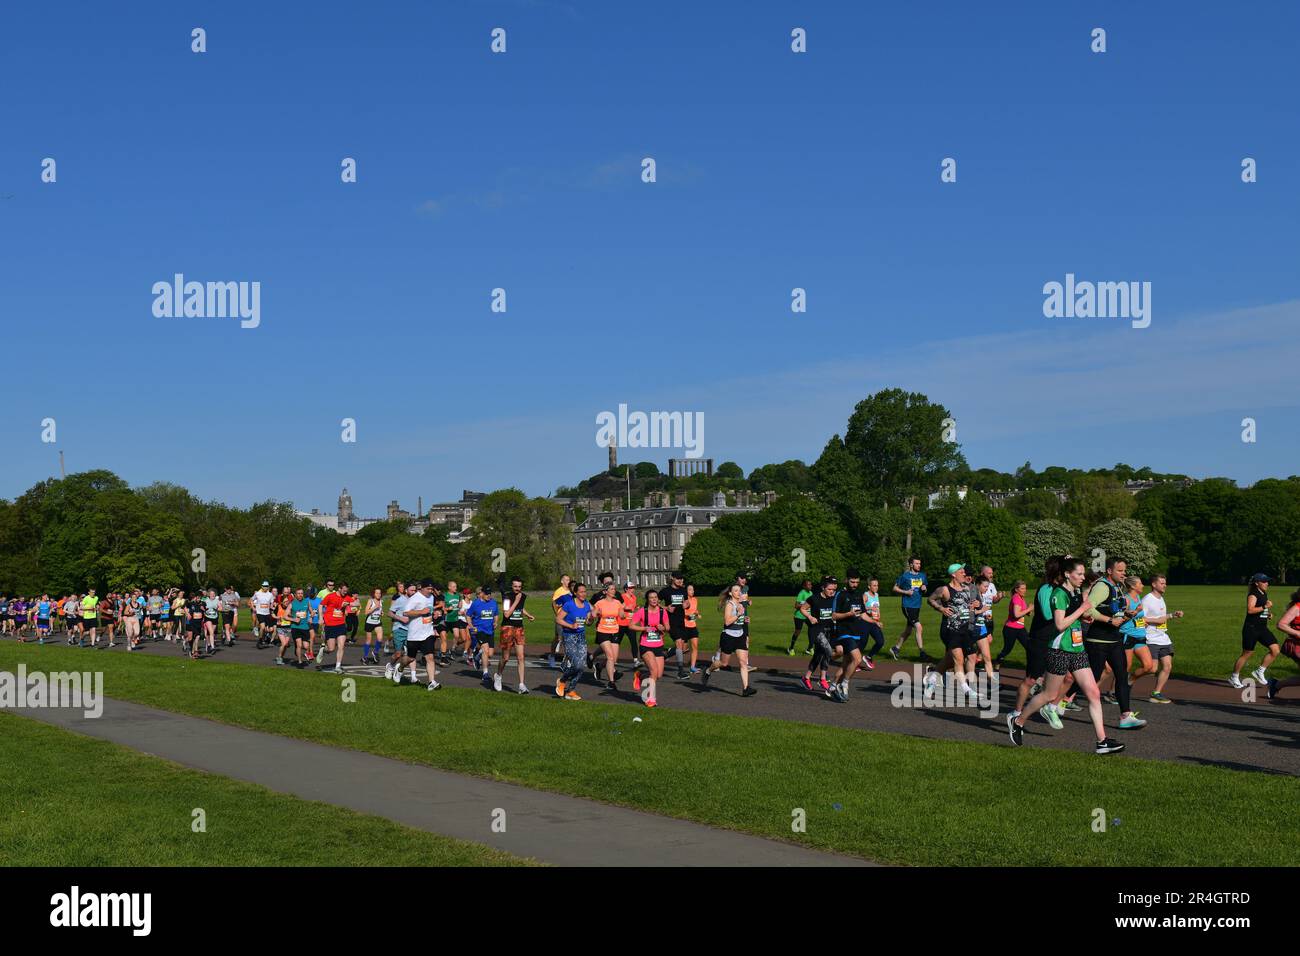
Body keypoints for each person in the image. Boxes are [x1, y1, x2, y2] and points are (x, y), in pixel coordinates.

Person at [1007, 557, 1125, 755]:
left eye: (1083, 573)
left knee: (1093, 693)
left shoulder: (1076, 591)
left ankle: (1102, 741)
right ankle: (1018, 721)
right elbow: (1060, 624)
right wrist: (1082, 609)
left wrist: (1086, 614)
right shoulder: (1058, 594)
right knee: (1049, 695)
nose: (1082, 577)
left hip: (1077, 648)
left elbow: (1079, 615)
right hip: (1059, 649)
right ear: (1067, 575)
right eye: (1078, 574)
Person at [1083, 557, 1146, 730]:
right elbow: (1088, 608)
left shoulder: (1118, 586)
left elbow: (1115, 610)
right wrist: (1109, 620)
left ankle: (1125, 715)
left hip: (1114, 639)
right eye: (1120, 570)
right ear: (1110, 571)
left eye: (1124, 570)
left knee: (1121, 675)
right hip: (1098, 640)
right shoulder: (1103, 586)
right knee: (1092, 677)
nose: (1123, 573)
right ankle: (1059, 701)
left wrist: (1128, 614)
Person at [924, 565, 982, 702]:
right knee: (959, 659)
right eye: (961, 571)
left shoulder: (967, 588)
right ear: (953, 575)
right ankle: (966, 690)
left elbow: (974, 604)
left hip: (965, 629)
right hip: (950, 629)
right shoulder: (944, 590)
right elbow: (930, 599)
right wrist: (940, 608)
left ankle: (932, 677)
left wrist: (977, 604)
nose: (964, 573)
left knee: (956, 659)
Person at [702, 583, 757, 697]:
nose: (738, 592)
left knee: (743, 662)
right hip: (729, 636)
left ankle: (746, 688)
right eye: (736, 591)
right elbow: (727, 622)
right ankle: (708, 670)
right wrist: (738, 615)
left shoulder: (741, 604)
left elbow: (739, 619)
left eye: (739, 591)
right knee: (724, 663)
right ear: (731, 593)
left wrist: (744, 618)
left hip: (740, 635)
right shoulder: (730, 605)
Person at [1139, 574, 1183, 703]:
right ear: (1154, 584)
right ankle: (1130, 679)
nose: (1165, 585)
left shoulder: (1160, 598)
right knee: (1152, 669)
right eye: (1162, 583)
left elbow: (1163, 618)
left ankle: (1156, 693)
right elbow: (1140, 618)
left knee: (1167, 666)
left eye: (1165, 583)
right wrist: (1156, 621)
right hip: (1151, 638)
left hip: (1163, 638)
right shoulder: (1147, 600)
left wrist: (1173, 615)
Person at [1230, 573, 1279, 689]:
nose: (1267, 583)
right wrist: (1265, 607)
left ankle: (1260, 671)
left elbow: (1260, 610)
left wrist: (1267, 614)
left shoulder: (1264, 593)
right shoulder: (1253, 594)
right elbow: (1250, 610)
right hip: (1251, 628)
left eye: (1267, 581)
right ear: (1257, 583)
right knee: (1247, 653)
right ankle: (1234, 676)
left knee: (1275, 650)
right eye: (1264, 581)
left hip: (1262, 628)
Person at [827, 571, 870, 701]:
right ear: (846, 580)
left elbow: (862, 614)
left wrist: (875, 622)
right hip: (843, 633)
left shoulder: (858, 595)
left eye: (857, 582)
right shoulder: (840, 595)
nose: (855, 584)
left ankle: (833, 686)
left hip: (856, 633)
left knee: (846, 663)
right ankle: (844, 684)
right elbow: (834, 615)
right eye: (852, 582)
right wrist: (848, 614)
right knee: (857, 659)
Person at [629, 588, 673, 706]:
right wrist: (643, 628)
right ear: (648, 600)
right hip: (645, 645)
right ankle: (651, 699)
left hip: (658, 645)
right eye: (651, 598)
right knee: (653, 671)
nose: (654, 599)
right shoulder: (642, 611)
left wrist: (662, 628)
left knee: (658, 675)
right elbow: (631, 625)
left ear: (658, 599)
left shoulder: (663, 612)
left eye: (655, 597)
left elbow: (668, 627)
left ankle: (641, 675)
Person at [798, 577, 841, 693]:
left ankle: (806, 678)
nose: (832, 592)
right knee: (828, 651)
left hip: (829, 630)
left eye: (834, 589)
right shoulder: (814, 598)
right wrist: (810, 617)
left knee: (819, 654)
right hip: (816, 630)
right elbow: (802, 608)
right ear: (823, 588)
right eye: (830, 589)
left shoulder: (834, 599)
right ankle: (823, 679)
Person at [553, 582, 593, 700]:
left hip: (581, 637)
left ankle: (571, 691)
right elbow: (558, 619)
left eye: (585, 591)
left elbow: (588, 622)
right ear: (575, 593)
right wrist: (570, 626)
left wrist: (591, 619)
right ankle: (562, 681)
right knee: (576, 664)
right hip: (569, 637)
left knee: (581, 666)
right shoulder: (569, 605)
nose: (583, 594)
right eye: (581, 592)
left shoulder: (586, 605)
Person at [400, 580, 441, 691]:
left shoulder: (431, 597)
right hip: (414, 634)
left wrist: (434, 614)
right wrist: (421, 612)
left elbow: (429, 611)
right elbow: (405, 613)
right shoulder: (414, 598)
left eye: (431, 589)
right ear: (421, 588)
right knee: (410, 658)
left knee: (430, 657)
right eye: (428, 589)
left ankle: (431, 682)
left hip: (427, 632)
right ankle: (400, 668)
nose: (430, 591)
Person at [497, 576, 533, 694]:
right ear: (512, 586)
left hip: (519, 628)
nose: (518, 589)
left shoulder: (522, 596)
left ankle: (521, 685)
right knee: (505, 658)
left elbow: (520, 608)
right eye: (515, 586)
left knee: (521, 657)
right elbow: (506, 614)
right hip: (507, 628)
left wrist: (528, 615)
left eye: (519, 587)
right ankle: (498, 675)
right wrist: (516, 601)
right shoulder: (507, 597)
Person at [890, 557, 930, 661]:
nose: (919, 565)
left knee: (908, 631)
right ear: (911, 565)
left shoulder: (922, 576)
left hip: (917, 606)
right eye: (917, 563)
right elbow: (894, 588)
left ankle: (896, 648)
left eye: (920, 563)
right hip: (907, 606)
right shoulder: (905, 576)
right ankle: (922, 652)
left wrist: (924, 588)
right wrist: (906, 592)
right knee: (918, 627)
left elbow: (924, 588)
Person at [1265, 589, 1300, 699]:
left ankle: (1276, 685)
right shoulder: (1297, 608)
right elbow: (1281, 624)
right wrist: (1297, 633)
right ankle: (1276, 685)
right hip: (1296, 645)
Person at [591, 582, 626, 689]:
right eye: (611, 589)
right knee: (610, 656)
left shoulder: (617, 603)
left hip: (615, 631)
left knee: (614, 659)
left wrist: (624, 614)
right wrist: (595, 614)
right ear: (605, 591)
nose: (613, 591)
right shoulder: (600, 603)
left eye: (614, 589)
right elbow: (593, 614)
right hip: (603, 631)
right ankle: (611, 682)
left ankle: (599, 666)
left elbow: (621, 615)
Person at [660, 571, 692, 680]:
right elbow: (654, 603)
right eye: (678, 578)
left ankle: (665, 656)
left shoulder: (683, 590)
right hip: (670, 621)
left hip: (681, 621)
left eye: (682, 579)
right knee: (678, 643)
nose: (680, 581)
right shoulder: (665, 591)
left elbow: (687, 603)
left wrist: (686, 605)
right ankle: (680, 671)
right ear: (672, 578)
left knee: (683, 647)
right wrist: (666, 608)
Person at [466, 585, 500, 687]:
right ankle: (485, 674)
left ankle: (477, 655)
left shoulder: (493, 603)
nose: (488, 596)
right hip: (480, 630)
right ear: (482, 593)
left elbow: (496, 614)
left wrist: (496, 622)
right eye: (486, 594)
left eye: (490, 594)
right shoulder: (476, 604)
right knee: (485, 650)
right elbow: (468, 616)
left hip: (490, 630)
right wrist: (471, 626)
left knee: (490, 654)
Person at [994, 580, 1031, 666]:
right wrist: (1028, 609)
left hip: (1020, 628)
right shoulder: (1016, 598)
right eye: (1022, 588)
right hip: (1011, 629)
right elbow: (1016, 614)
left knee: (1029, 647)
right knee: (1007, 649)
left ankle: (1031, 667)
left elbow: (1022, 611)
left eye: (1025, 588)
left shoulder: (1021, 597)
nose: (1024, 590)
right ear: (1016, 589)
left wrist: (1027, 611)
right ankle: (998, 661)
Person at [317, 583, 349, 674]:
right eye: (344, 590)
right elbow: (320, 605)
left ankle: (337, 666)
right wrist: (320, 617)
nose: (345, 592)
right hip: (330, 624)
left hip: (341, 624)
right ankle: (323, 649)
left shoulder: (346, 597)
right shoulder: (330, 596)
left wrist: (347, 606)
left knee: (341, 646)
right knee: (331, 649)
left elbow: (356, 602)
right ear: (339, 589)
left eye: (346, 591)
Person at [548, 575, 572, 669]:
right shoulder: (559, 592)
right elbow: (554, 604)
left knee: (568, 639)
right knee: (558, 638)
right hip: (561, 618)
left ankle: (568, 661)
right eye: (566, 579)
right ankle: (552, 656)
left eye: (569, 579)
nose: (568, 581)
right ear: (562, 581)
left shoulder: (571, 591)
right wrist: (557, 615)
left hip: (570, 619)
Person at [787, 579, 815, 656]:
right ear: (804, 586)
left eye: (811, 584)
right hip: (799, 616)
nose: (810, 586)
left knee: (813, 628)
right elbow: (796, 605)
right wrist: (805, 606)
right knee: (798, 631)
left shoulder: (811, 593)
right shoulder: (802, 593)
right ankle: (791, 648)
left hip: (807, 615)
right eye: (808, 585)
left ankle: (809, 648)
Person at [361, 588, 384, 664]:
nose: (378, 595)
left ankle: (375, 652)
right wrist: (374, 607)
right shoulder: (370, 601)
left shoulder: (381, 601)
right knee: (368, 640)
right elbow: (366, 612)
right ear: (374, 594)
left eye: (379, 593)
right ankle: (365, 656)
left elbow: (380, 610)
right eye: (377, 593)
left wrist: (381, 613)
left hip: (377, 622)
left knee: (380, 638)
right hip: (369, 622)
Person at [250, 582, 275, 648]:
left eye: (266, 586)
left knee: (268, 629)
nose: (265, 587)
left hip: (267, 613)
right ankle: (260, 640)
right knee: (262, 627)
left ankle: (262, 639)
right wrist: (253, 607)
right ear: (262, 586)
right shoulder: (257, 593)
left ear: (268, 587)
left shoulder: (270, 595)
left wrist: (272, 608)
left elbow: (272, 603)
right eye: (264, 586)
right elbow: (251, 599)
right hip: (260, 613)